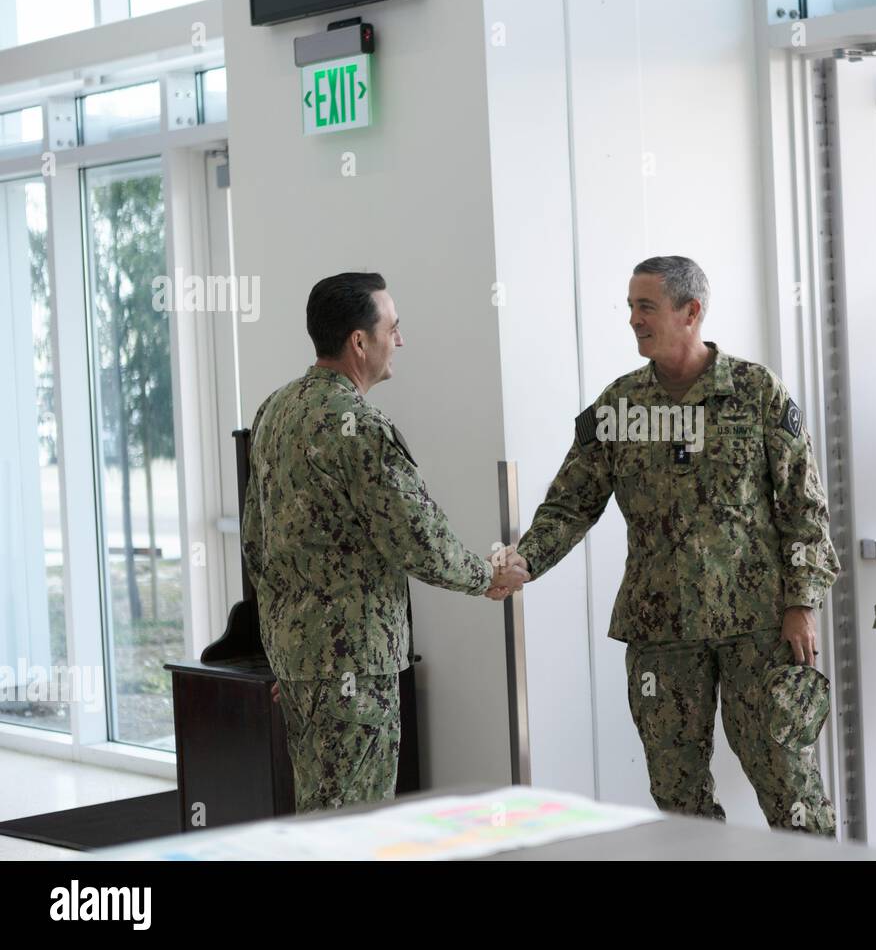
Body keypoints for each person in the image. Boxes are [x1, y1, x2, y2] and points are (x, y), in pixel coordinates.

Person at [509, 256, 840, 833]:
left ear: (691, 312)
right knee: (677, 796)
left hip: (757, 627)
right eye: (631, 306)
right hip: (661, 632)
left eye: (647, 307)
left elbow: (803, 507)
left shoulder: (756, 392)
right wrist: (524, 561)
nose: (634, 319)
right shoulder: (620, 407)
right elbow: (570, 503)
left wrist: (801, 604)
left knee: (791, 790)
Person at [242, 271, 528, 812]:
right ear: (359, 341)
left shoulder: (275, 411)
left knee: (320, 810)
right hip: (355, 663)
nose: (400, 340)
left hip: (303, 663)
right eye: (393, 329)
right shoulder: (359, 425)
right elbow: (415, 536)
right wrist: (486, 575)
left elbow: (256, 541)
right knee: (355, 821)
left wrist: (289, 655)